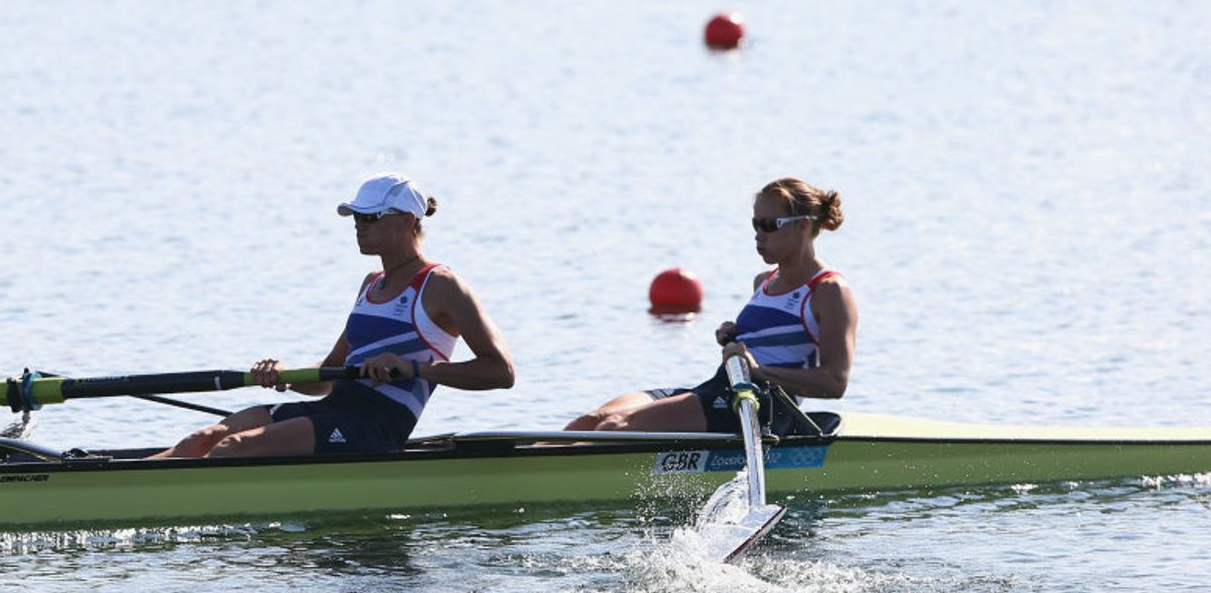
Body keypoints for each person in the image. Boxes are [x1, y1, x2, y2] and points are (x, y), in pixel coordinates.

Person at [155, 172, 516, 458]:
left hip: (375, 427)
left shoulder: (441, 285)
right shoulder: (370, 285)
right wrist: (284, 376)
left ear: (407, 221)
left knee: (232, 448)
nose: (359, 225)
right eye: (356, 217)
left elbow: (501, 372)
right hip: (335, 409)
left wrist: (413, 368)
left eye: (370, 217)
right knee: (200, 440)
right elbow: (327, 376)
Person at [565, 177, 856, 436]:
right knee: (589, 422)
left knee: (614, 427)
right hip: (721, 389)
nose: (759, 234)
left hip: (763, 407)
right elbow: (769, 342)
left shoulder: (828, 290)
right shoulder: (763, 282)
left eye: (770, 225)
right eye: (755, 224)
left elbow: (835, 382)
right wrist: (735, 334)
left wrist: (759, 371)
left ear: (803, 226)